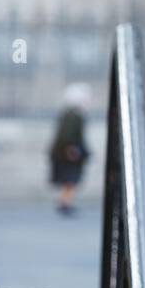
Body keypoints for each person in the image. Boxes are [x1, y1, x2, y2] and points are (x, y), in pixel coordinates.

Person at [49, 82, 92, 216]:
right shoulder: (74, 116)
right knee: (70, 180)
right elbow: (69, 136)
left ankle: (65, 202)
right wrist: (72, 150)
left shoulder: (67, 115)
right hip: (70, 155)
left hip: (65, 154)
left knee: (68, 180)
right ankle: (65, 203)